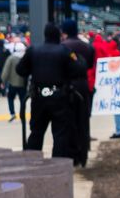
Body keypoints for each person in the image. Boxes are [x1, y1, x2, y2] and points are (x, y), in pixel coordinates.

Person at [17, 24, 86, 159]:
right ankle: (57, 165)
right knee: (60, 134)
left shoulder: (33, 50)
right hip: (60, 97)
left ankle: (32, 162)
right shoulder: (64, 51)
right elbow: (78, 70)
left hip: (39, 97)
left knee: (36, 132)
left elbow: (20, 70)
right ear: (59, 35)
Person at [60, 19, 97, 167]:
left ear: (65, 31)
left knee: (69, 122)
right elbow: (89, 65)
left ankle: (73, 154)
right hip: (84, 85)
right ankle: (83, 153)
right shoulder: (87, 47)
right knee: (83, 119)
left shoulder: (62, 47)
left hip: (68, 85)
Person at [2, 38, 29, 136]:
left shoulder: (11, 58)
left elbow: (6, 71)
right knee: (23, 99)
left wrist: (3, 82)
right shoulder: (25, 58)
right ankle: (22, 115)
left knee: (10, 98)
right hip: (23, 84)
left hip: (12, 83)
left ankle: (12, 113)